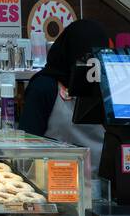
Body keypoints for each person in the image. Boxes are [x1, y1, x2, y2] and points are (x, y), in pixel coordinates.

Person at [21, 19, 109, 166]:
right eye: (84, 57)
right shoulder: (45, 87)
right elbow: (28, 145)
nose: (90, 64)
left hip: (106, 184)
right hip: (55, 183)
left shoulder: (110, 87)